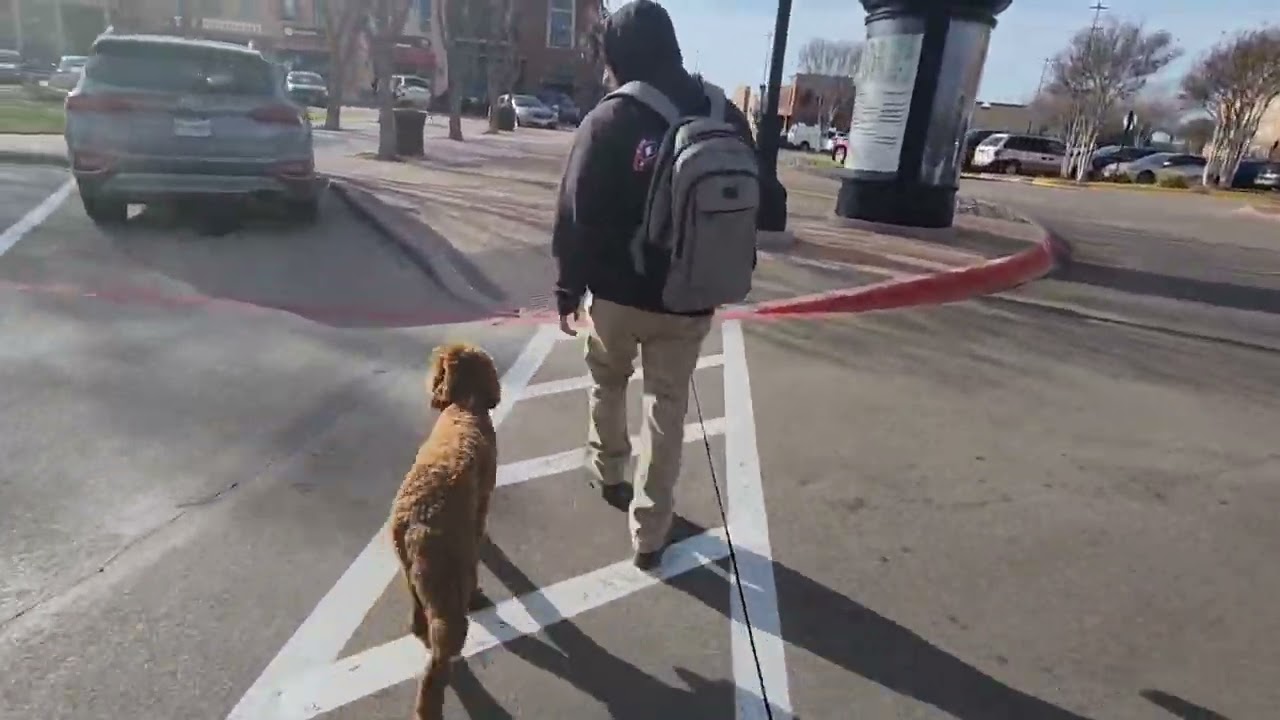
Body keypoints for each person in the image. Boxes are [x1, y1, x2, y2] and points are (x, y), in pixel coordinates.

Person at [551, 0, 772, 570]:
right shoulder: (725, 113)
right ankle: (650, 532)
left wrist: (567, 288)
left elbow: (575, 213)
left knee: (608, 382)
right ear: (673, 45)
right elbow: (754, 203)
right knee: (667, 409)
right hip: (690, 292)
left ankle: (609, 470)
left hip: (618, 296)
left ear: (617, 57)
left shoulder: (609, 118)